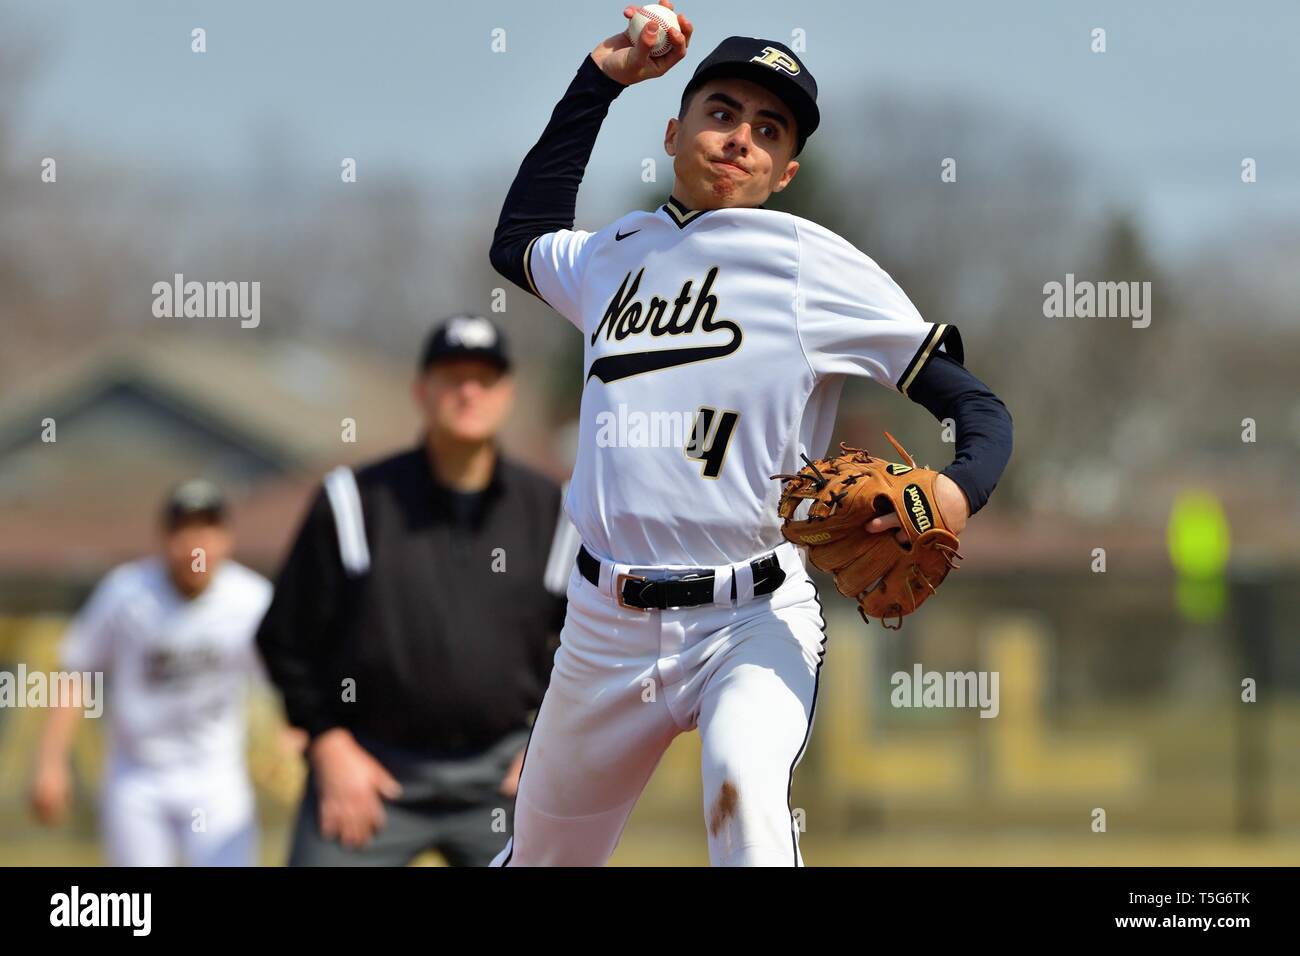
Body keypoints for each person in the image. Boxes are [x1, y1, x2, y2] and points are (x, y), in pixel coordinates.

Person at [486, 5, 1014, 866]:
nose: (740, 138)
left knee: (746, 799)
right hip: (602, 623)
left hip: (751, 616)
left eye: (768, 129)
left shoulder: (812, 266)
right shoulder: (610, 256)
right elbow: (517, 242)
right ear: (673, 128)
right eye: (721, 112)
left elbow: (976, 405)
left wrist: (954, 489)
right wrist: (601, 77)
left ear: (786, 170)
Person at [256, 314, 571, 866]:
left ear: (508, 393)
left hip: (505, 777)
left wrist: (554, 742)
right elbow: (285, 638)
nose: (468, 391)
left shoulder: (556, 511)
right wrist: (328, 744)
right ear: (422, 390)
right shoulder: (353, 502)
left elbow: (593, 643)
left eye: (485, 377)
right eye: (453, 376)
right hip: (371, 771)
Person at [29, 480, 273, 866]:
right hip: (138, 780)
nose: (196, 544)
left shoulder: (250, 599)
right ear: (164, 538)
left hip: (216, 780)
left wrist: (302, 736)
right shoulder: (126, 594)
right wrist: (50, 762)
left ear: (226, 538)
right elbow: (75, 673)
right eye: (184, 529)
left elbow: (286, 678)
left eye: (207, 529)